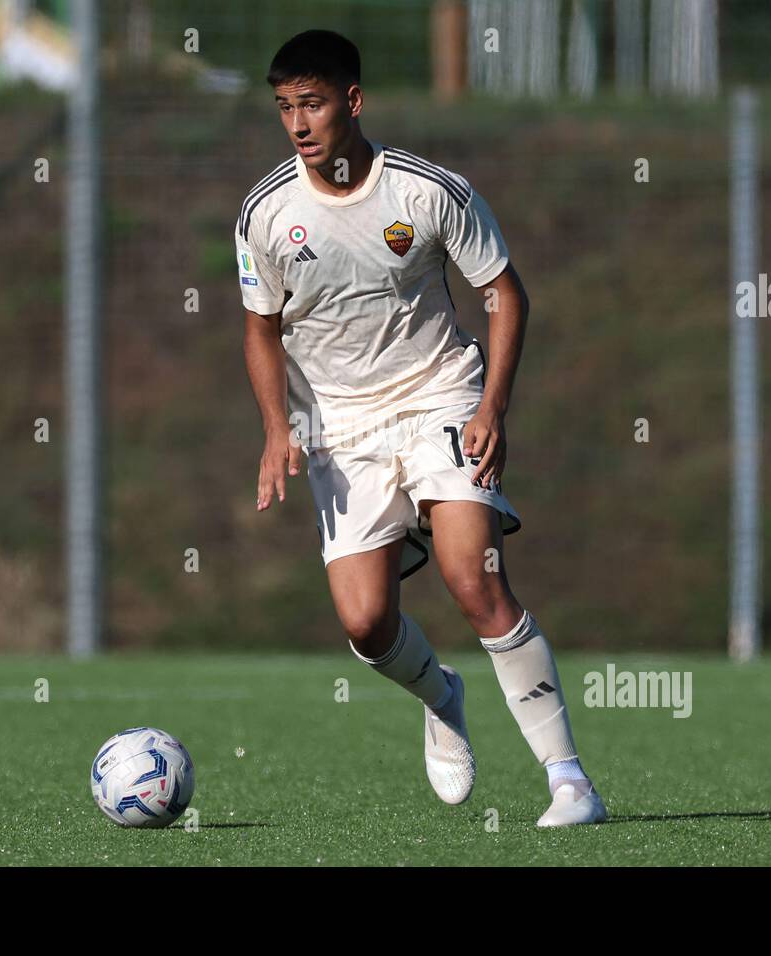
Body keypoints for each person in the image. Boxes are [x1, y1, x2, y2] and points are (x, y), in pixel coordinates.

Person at [237, 30, 605, 826]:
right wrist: (277, 428)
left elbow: (505, 294)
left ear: (353, 102)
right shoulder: (266, 213)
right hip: (341, 425)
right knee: (367, 624)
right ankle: (442, 698)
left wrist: (490, 406)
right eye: (284, 108)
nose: (298, 123)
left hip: (440, 392)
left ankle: (570, 780)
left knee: (474, 577)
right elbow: (260, 327)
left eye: (313, 103)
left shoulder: (428, 192)